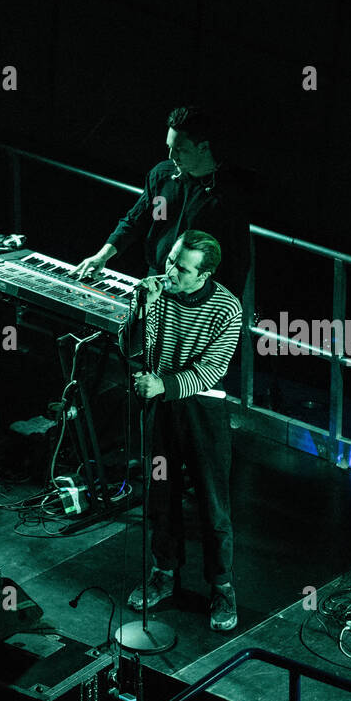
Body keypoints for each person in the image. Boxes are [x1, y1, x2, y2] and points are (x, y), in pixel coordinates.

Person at [123, 230, 243, 631]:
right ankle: (164, 571)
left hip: (202, 407)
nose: (170, 271)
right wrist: (142, 309)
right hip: (162, 407)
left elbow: (214, 368)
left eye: (182, 267)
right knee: (161, 494)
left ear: (204, 274)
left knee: (212, 504)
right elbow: (133, 348)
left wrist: (165, 385)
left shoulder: (227, 307)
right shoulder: (154, 293)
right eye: (171, 260)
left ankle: (222, 585)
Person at [76, 106, 252, 298]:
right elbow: (134, 220)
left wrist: (228, 307)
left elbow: (238, 262)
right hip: (156, 280)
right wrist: (102, 256)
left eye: (180, 150)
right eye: (170, 147)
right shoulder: (162, 175)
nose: (171, 156)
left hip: (195, 292)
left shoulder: (229, 196)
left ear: (203, 147)